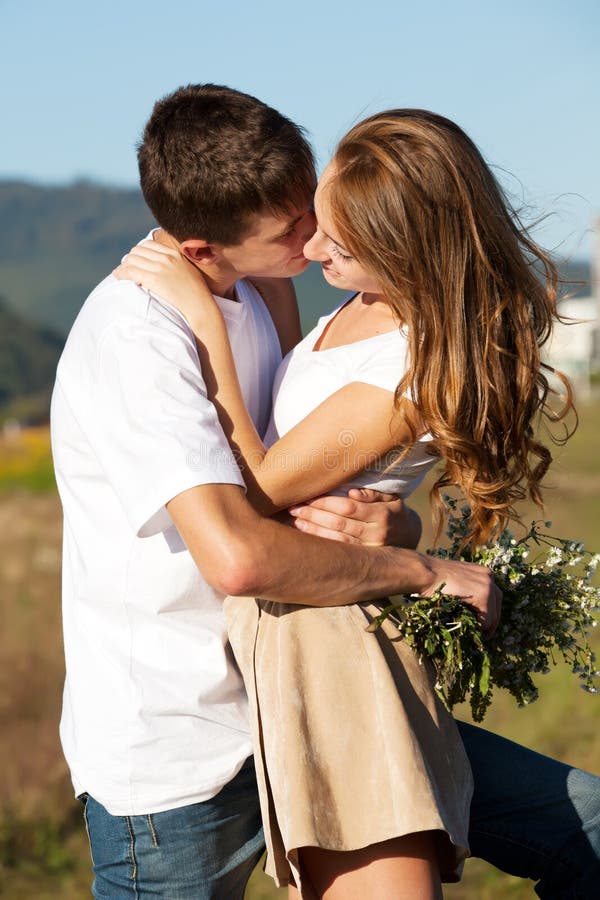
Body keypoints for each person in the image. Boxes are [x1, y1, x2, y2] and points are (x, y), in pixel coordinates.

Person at [115, 96, 600, 900]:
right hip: (313, 610)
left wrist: (201, 315)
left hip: (332, 631)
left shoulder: (406, 369)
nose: (317, 242)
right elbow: (297, 384)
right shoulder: (361, 305)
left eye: (347, 236)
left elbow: (259, 488)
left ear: (409, 254)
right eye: (319, 215)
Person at [51, 84, 500, 900]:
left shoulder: (258, 293)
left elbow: (296, 452)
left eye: (314, 209)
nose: (318, 236)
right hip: (177, 738)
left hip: (294, 689)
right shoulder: (140, 335)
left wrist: (393, 524)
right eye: (295, 228)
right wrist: (421, 567)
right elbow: (243, 546)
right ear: (198, 250)